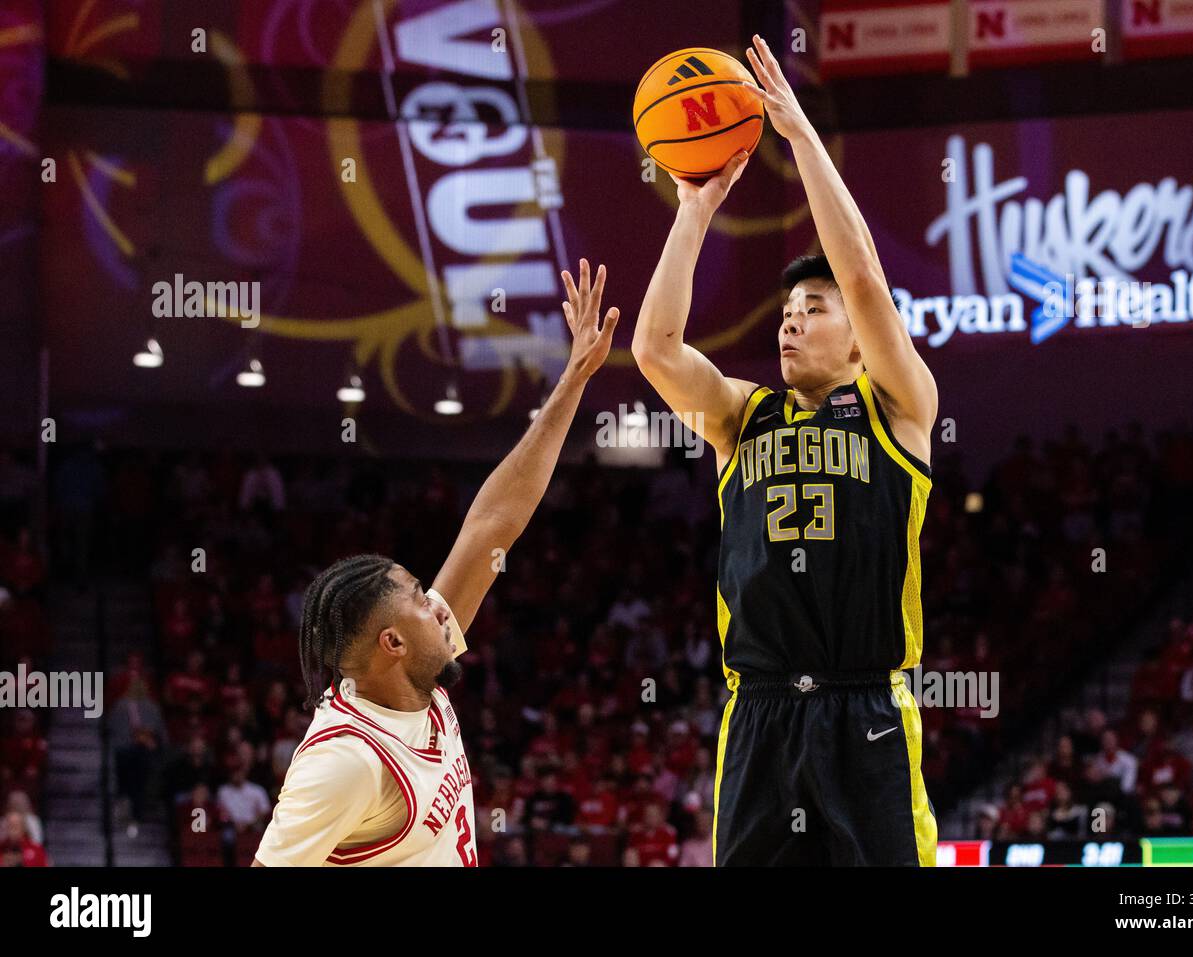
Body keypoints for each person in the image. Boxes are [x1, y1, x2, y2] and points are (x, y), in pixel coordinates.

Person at [632, 35, 938, 865]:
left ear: (858, 338)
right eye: (786, 311)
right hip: (760, 710)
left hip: (864, 707)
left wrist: (800, 138)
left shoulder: (898, 410)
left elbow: (867, 279)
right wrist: (694, 207)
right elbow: (656, 350)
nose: (792, 320)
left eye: (813, 307)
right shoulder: (742, 416)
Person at [254, 261, 618, 866]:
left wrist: (573, 380)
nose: (438, 606)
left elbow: (491, 525)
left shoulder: (416, 675)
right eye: (422, 600)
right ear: (391, 643)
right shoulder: (346, 761)